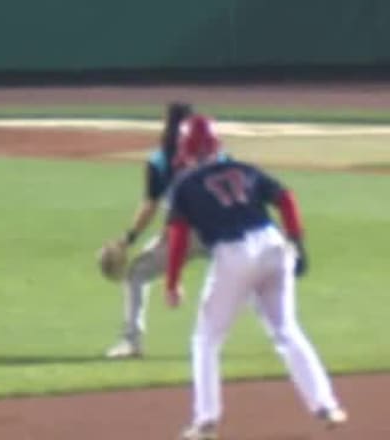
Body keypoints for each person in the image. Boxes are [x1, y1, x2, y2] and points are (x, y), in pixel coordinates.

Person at [163, 115, 348, 439]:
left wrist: (172, 282)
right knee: (287, 330)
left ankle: (206, 421)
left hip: (233, 255)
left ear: (186, 149)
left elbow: (178, 235)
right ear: (216, 144)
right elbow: (286, 198)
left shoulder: (185, 186)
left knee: (206, 339)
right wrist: (297, 243)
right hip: (273, 246)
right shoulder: (245, 169)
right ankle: (326, 405)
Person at [102, 103, 200, 360]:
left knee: (137, 274)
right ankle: (283, 336)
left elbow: (150, 205)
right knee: (250, 277)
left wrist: (128, 238)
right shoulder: (217, 154)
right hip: (225, 232)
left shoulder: (160, 159)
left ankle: (132, 342)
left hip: (182, 234)